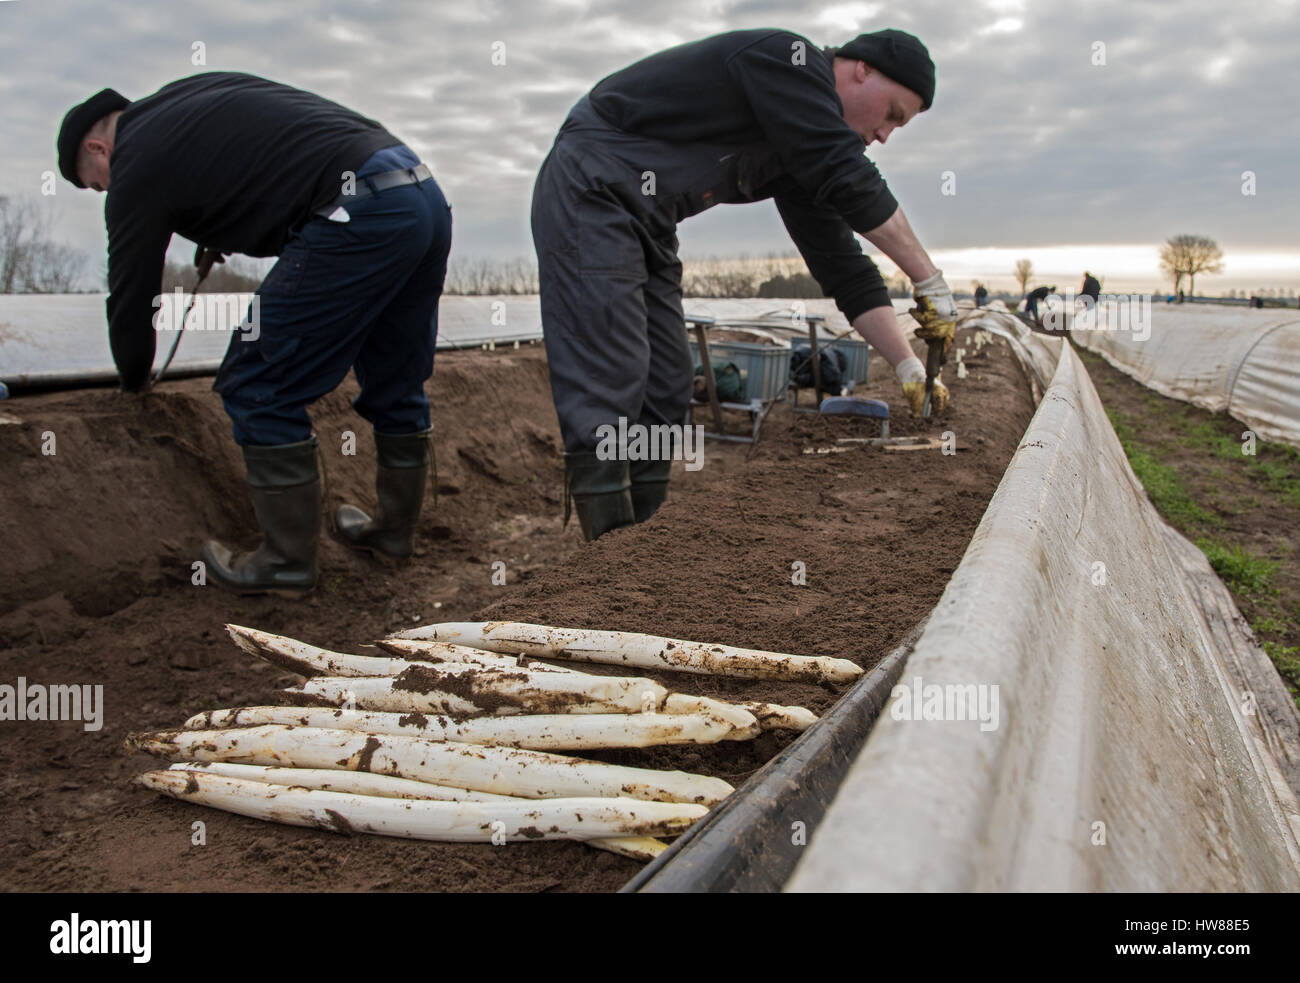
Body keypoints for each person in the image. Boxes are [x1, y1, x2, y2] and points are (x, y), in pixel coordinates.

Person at [532, 28, 957, 540]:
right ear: (861, 69)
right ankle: (605, 556)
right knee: (610, 373)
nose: (886, 134)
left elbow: (844, 268)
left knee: (665, 379)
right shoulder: (787, 62)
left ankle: (637, 545)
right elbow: (847, 173)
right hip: (593, 187)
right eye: (892, 113)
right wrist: (926, 277)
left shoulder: (800, 152)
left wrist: (909, 366)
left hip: (648, 219)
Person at [57, 73, 453, 596]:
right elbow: (264, 162)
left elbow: (131, 294)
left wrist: (134, 379)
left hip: (359, 210)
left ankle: (285, 563)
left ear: (97, 147)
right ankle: (393, 535)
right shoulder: (185, 100)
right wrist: (216, 226)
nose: (105, 191)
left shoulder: (136, 163)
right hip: (421, 197)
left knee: (256, 379)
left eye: (95, 182)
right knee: (397, 377)